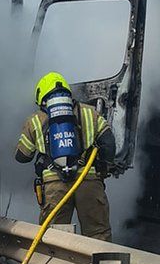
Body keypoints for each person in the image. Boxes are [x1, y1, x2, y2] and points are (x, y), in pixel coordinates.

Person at [14, 71, 116, 241]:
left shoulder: (35, 121)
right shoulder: (90, 113)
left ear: (41, 96)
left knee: (55, 238)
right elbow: (109, 144)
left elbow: (22, 156)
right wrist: (102, 168)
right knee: (98, 233)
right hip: (88, 182)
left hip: (55, 185)